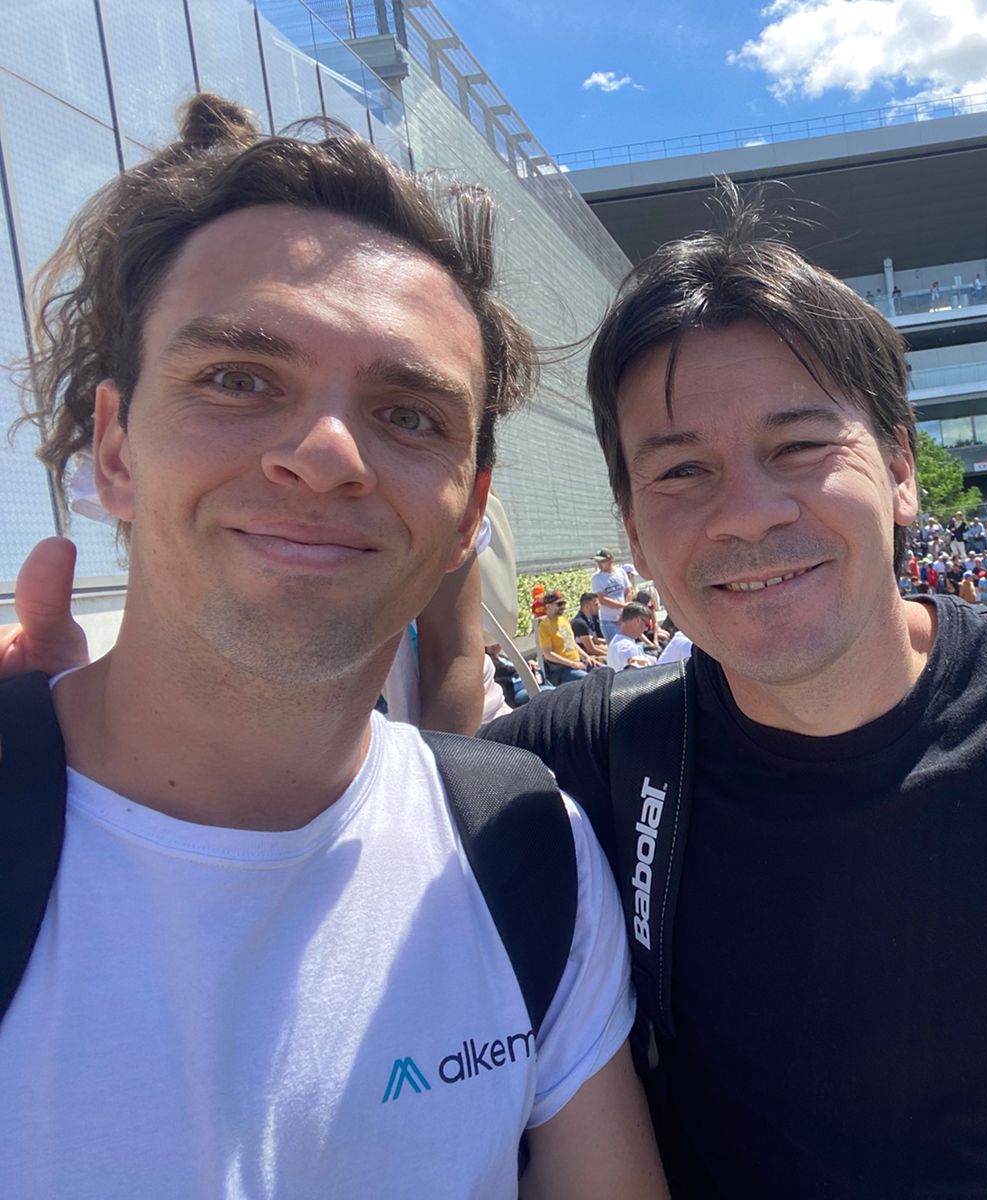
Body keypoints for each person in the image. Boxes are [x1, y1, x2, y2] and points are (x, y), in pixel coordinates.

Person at [6, 188, 987, 1197]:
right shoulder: (575, 768)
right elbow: (328, 814)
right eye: (680, 472)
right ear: (633, 527)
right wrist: (63, 743)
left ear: (903, 468)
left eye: (801, 448)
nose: (749, 515)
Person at [0, 95, 663, 1197]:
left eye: (409, 414)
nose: (323, 454)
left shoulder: (527, 849)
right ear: (113, 447)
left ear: (467, 516)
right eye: (239, 379)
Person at [538, 590, 598, 685]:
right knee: (589, 681)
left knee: (604, 671)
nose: (563, 607)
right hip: (562, 669)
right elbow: (547, 653)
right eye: (559, 604)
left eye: (564, 603)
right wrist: (572, 664)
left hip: (578, 662)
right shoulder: (544, 626)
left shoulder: (564, 620)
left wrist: (587, 657)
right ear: (548, 606)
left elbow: (572, 643)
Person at [591, 548, 634, 640]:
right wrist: (623, 605)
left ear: (610, 561)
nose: (599, 564)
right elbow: (602, 600)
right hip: (609, 620)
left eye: (602, 561)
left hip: (624, 617)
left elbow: (628, 591)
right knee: (617, 646)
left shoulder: (621, 572)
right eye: (597, 562)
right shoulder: (596, 578)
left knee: (629, 643)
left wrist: (624, 611)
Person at [605, 602, 655, 670]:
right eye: (646, 624)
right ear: (638, 620)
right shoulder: (628, 648)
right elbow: (636, 678)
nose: (646, 628)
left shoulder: (615, 642)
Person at [571, 590, 610, 660]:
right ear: (587, 607)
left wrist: (610, 644)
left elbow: (595, 641)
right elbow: (591, 649)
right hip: (583, 656)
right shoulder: (580, 623)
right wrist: (610, 655)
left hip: (591, 651)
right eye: (596, 605)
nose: (599, 607)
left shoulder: (590, 619)